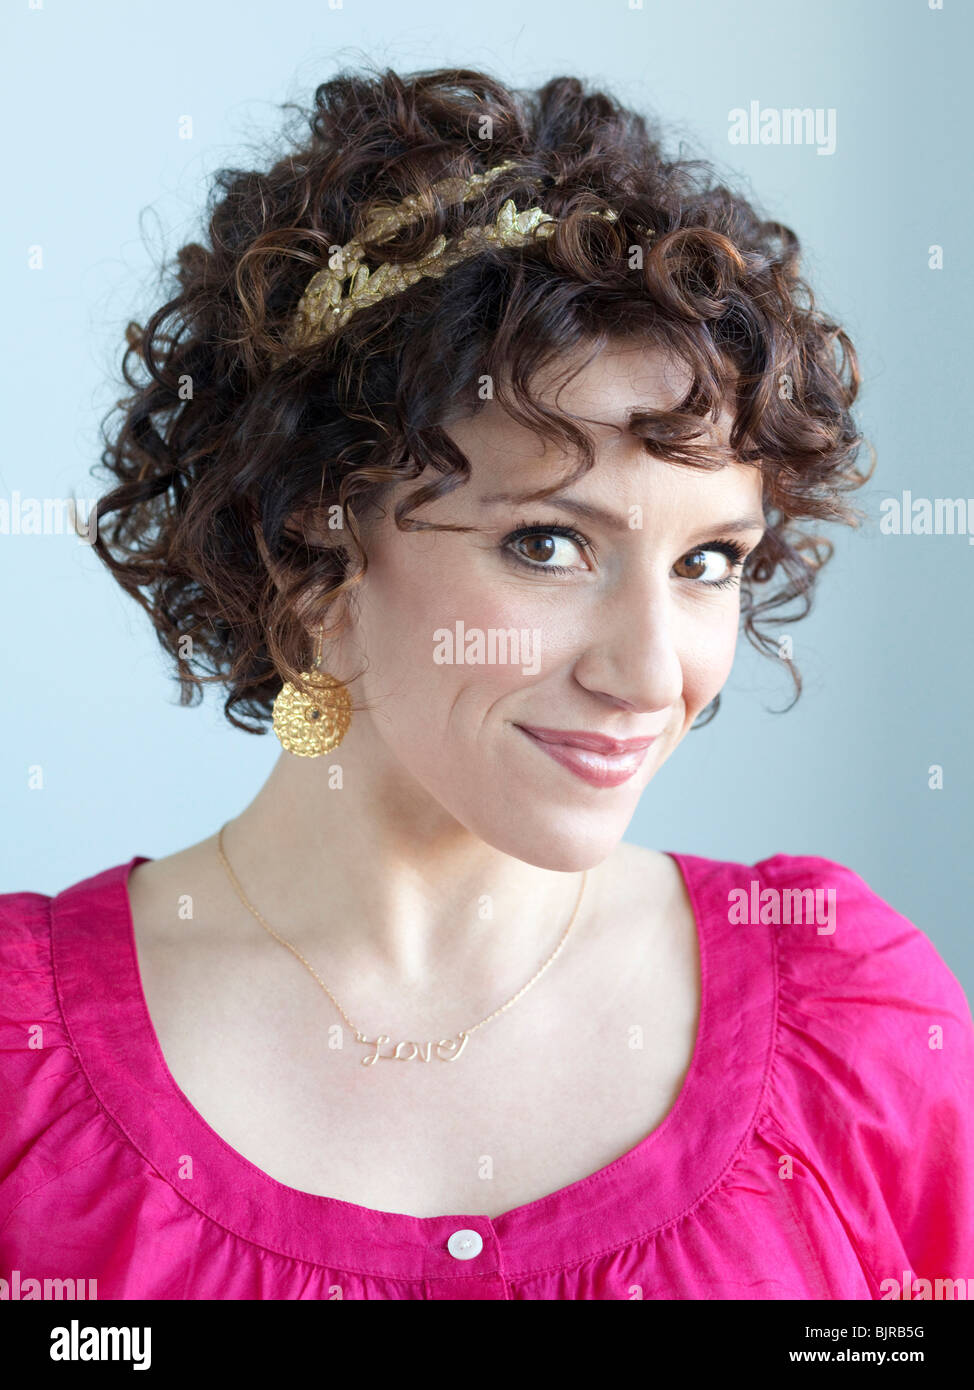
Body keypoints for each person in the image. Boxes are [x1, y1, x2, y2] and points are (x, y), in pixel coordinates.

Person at [1, 65, 971, 1302]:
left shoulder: (858, 1024)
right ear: (312, 558)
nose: (649, 670)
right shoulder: (20, 1078)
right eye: (548, 544)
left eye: (706, 560)